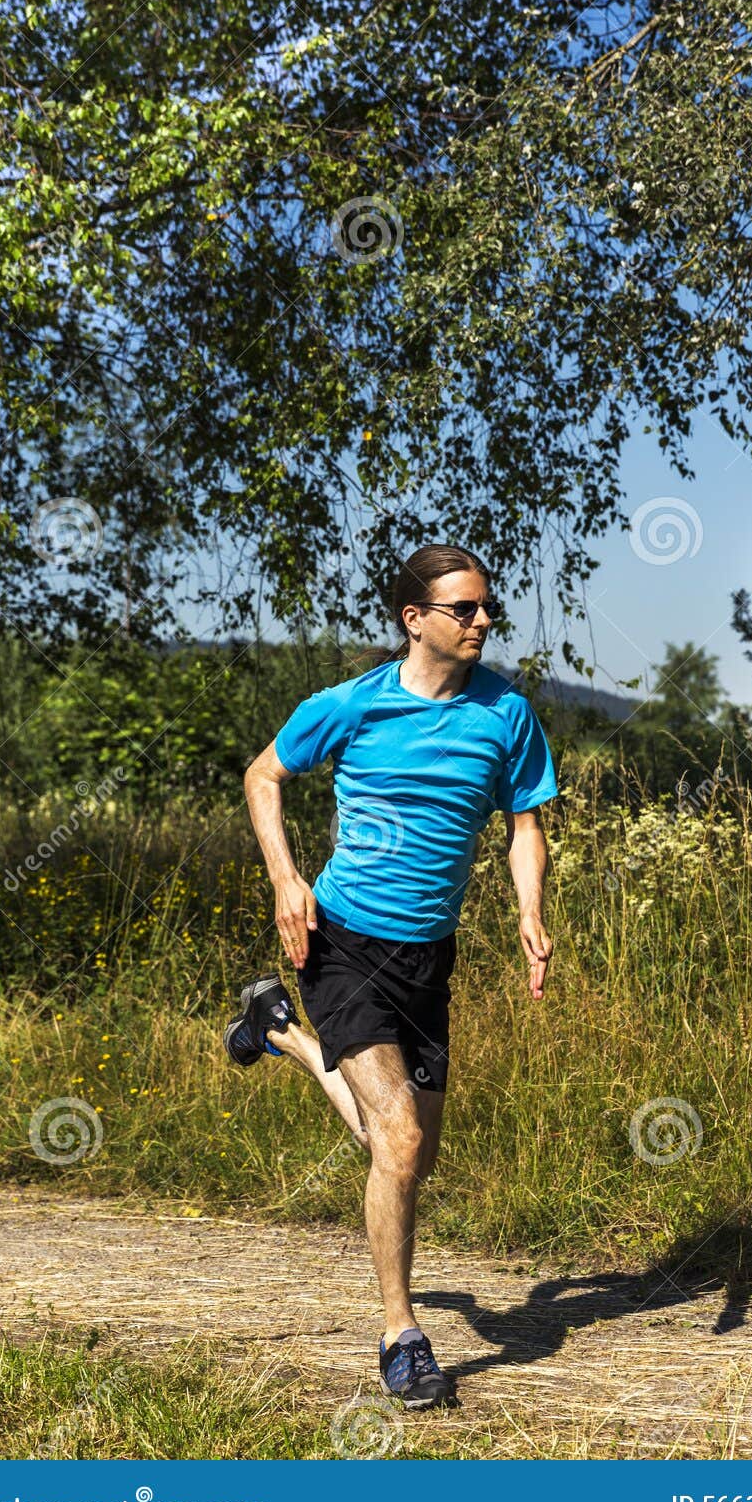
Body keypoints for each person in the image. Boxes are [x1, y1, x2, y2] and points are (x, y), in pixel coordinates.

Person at [223, 543, 558, 1410]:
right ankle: (401, 1336)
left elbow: (524, 825)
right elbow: (263, 776)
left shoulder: (507, 716)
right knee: (400, 1142)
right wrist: (285, 879)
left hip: (428, 956)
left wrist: (529, 911)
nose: (484, 621)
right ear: (416, 620)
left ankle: (279, 1034)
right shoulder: (352, 706)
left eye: (489, 608)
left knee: (405, 1152)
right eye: (466, 610)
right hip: (341, 942)